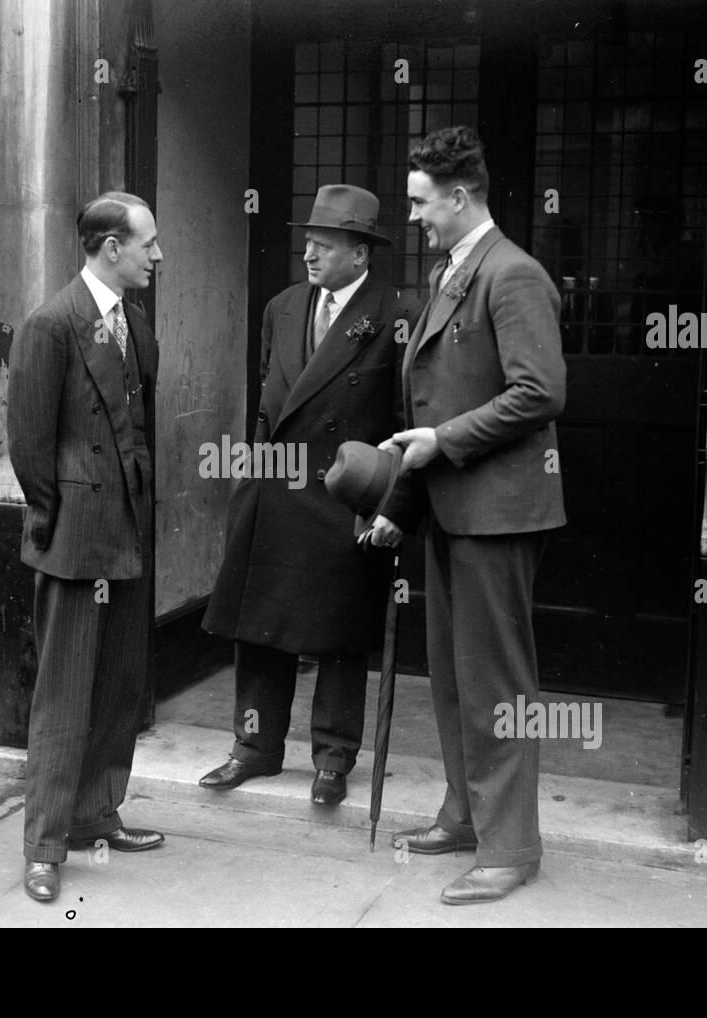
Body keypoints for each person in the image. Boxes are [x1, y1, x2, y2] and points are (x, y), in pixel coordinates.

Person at [377, 126, 566, 904]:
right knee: (455, 680)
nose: (415, 215)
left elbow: (540, 392)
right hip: (456, 511)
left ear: (460, 197)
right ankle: (465, 815)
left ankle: (512, 846)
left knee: (496, 683)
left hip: (498, 513)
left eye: (423, 202)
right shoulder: (456, 270)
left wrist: (443, 441)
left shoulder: (512, 275)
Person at [200, 184, 417, 806]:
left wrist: (386, 504)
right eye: (309, 242)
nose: (310, 255)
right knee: (258, 625)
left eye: (325, 244)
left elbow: (405, 423)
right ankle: (255, 748)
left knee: (339, 633)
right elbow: (269, 402)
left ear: (361, 253)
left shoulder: (397, 312)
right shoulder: (285, 306)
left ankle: (332, 759)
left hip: (344, 494)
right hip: (274, 489)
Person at [6, 191, 166, 904]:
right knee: (64, 697)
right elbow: (29, 445)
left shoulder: (134, 322)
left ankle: (96, 814)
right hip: (74, 536)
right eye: (147, 244)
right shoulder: (51, 324)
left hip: (128, 530)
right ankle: (44, 845)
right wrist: (51, 516)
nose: (157, 256)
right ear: (110, 249)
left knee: (120, 684)